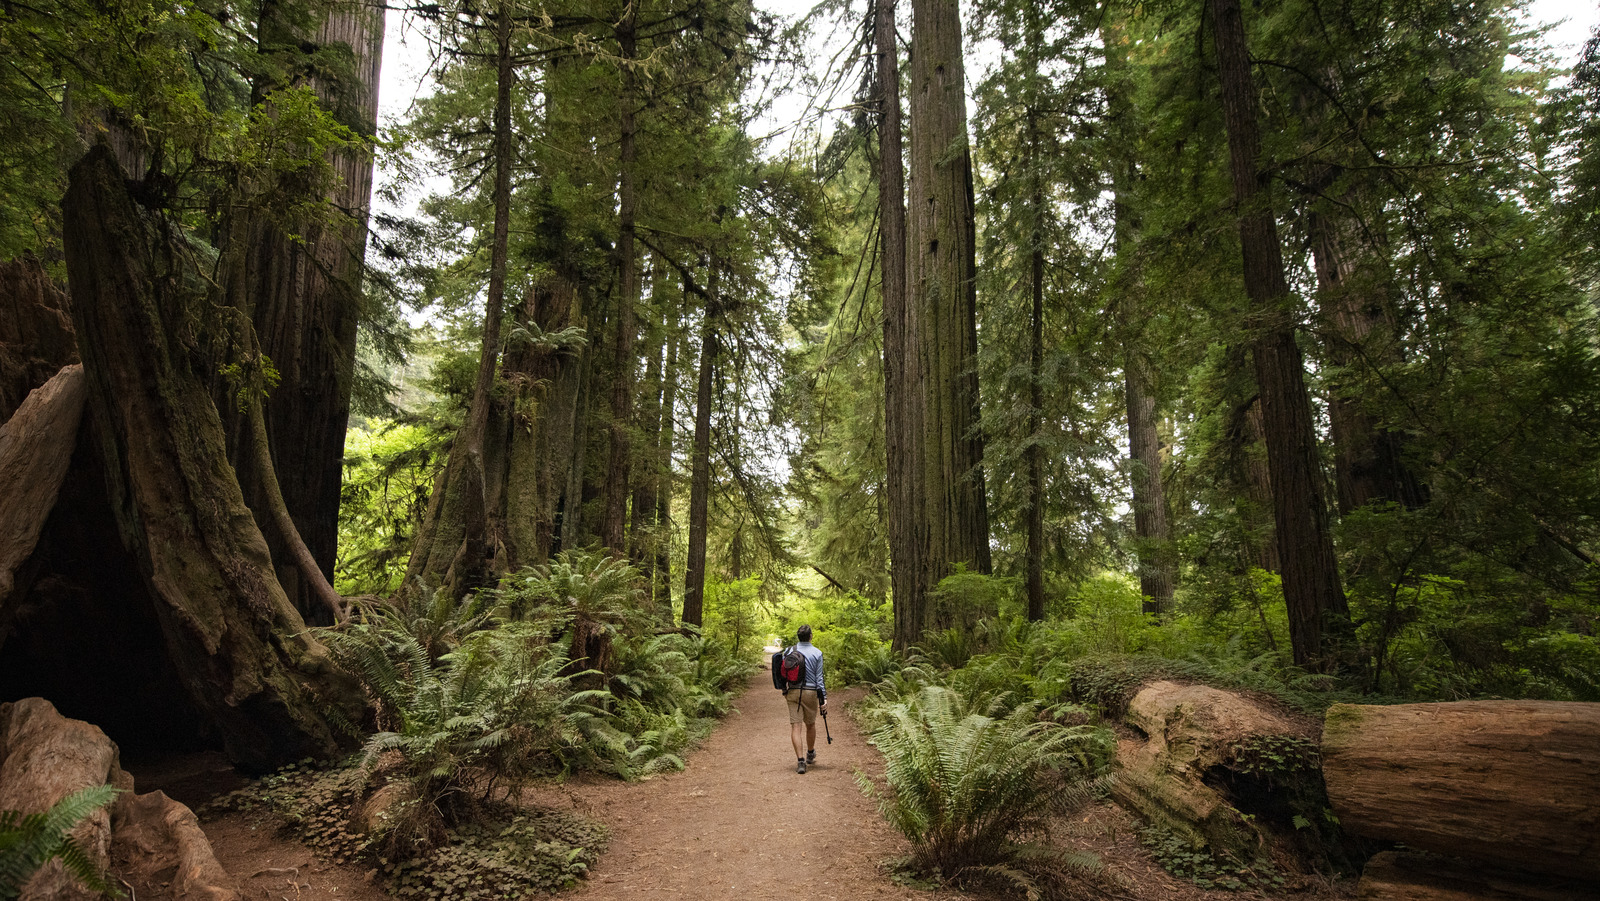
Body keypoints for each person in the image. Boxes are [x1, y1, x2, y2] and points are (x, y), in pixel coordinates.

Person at [784, 624, 826, 774]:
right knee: (810, 724)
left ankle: (800, 761)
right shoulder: (817, 653)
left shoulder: (788, 651)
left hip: (793, 691)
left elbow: (783, 672)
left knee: (796, 727)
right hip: (810, 692)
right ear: (810, 636)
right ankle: (810, 753)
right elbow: (819, 678)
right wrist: (823, 698)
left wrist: (784, 689)